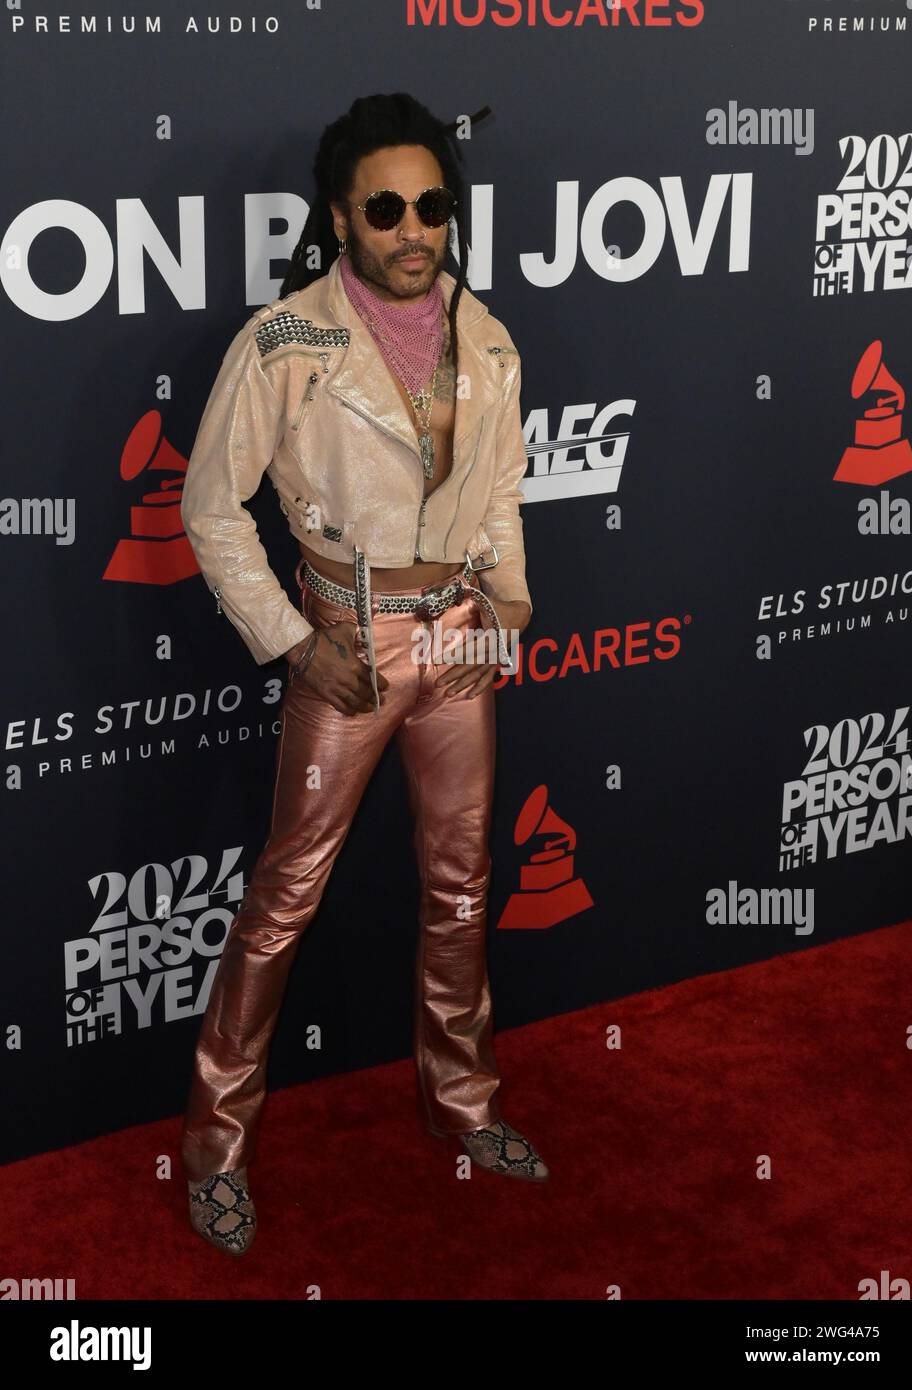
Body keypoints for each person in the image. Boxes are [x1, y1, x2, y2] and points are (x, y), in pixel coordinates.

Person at [179, 93, 547, 1257]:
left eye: (432, 204)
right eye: (384, 207)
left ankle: (466, 1103)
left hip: (464, 635)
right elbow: (209, 508)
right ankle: (217, 1149)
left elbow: (497, 496)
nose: (411, 228)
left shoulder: (486, 337)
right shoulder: (284, 341)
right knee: (286, 895)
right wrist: (297, 640)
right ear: (340, 218)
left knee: (460, 881)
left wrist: (512, 602)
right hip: (350, 637)